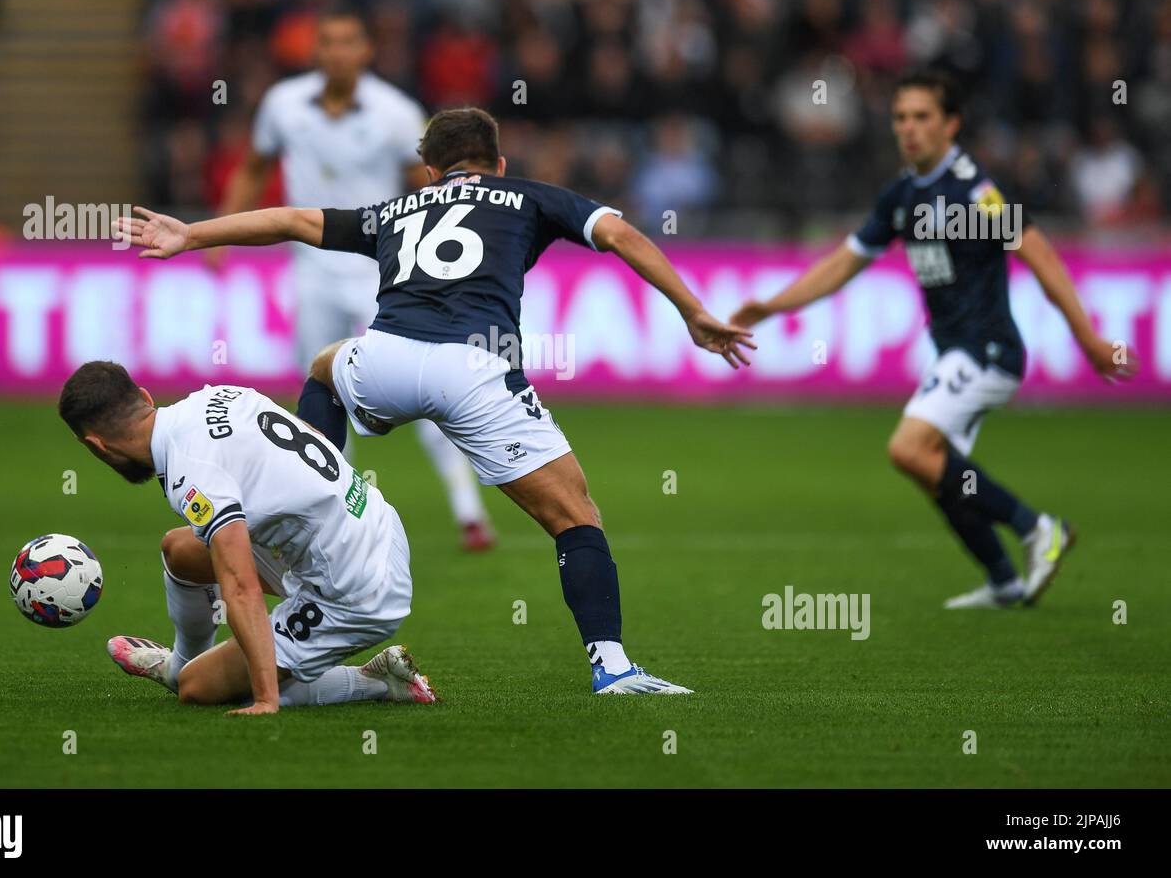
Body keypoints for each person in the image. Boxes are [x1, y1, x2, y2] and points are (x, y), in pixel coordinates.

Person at [116, 106, 755, 693]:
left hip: (387, 355)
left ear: (429, 173)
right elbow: (621, 235)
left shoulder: (399, 209)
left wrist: (193, 235)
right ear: (499, 163)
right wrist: (693, 311)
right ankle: (611, 666)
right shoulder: (530, 195)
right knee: (574, 517)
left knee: (324, 368)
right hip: (475, 367)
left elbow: (292, 219)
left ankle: (320, 525)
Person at [731, 70, 1138, 609]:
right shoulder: (902, 195)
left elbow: (1038, 253)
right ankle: (1003, 580)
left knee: (907, 448)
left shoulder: (975, 191)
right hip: (956, 351)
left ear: (951, 124)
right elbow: (842, 264)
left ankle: (1038, 528)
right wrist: (772, 305)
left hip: (989, 350)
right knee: (937, 474)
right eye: (900, 117)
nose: (909, 128)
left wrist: (1087, 337)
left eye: (922, 117)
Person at [216, 8, 495, 551]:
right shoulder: (283, 105)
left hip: (381, 270)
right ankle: (338, 515)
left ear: (366, 51)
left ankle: (468, 509)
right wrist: (224, 229)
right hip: (313, 268)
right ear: (315, 51)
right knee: (321, 393)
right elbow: (253, 166)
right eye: (328, 42)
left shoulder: (396, 113)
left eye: (349, 42)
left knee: (425, 385)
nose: (338, 52)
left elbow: (430, 187)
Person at [58, 361, 436, 715]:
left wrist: (265, 697)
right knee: (179, 550)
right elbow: (314, 435)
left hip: (356, 591)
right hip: (377, 523)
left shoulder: (191, 473)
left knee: (197, 689)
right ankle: (180, 664)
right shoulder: (217, 395)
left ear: (96, 445)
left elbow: (240, 586)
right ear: (145, 397)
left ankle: (377, 682)